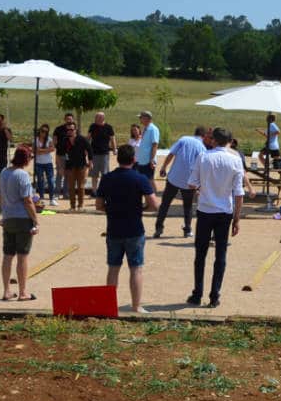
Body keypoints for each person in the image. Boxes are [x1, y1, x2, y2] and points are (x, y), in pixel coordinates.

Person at [96, 144, 158, 313]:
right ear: (134, 159)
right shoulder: (140, 178)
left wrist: (111, 208)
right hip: (134, 229)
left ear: (118, 159)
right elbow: (154, 204)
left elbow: (99, 205)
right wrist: (141, 209)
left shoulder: (107, 178)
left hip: (114, 228)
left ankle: (109, 305)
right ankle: (136, 306)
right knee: (136, 268)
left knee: (113, 268)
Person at [187, 127, 245, 308]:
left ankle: (197, 293)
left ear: (213, 140)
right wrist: (237, 218)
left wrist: (200, 189)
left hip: (205, 210)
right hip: (224, 212)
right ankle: (214, 295)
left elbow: (191, 183)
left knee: (200, 254)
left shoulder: (203, 157)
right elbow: (238, 193)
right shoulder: (235, 160)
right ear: (230, 141)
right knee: (221, 254)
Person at [0, 146, 38, 301]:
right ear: (26, 159)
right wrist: (35, 220)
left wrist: (4, 214)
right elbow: (27, 200)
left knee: (8, 255)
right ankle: (23, 292)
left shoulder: (4, 172)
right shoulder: (23, 175)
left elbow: (1, 197)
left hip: (8, 217)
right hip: (22, 219)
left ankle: (6, 291)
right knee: (22, 256)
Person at [155, 126, 206, 238]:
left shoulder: (183, 139)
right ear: (204, 136)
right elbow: (202, 167)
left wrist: (163, 167)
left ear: (195, 133)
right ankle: (187, 230)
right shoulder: (202, 148)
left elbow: (171, 154)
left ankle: (159, 228)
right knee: (188, 206)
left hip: (174, 177)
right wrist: (199, 184)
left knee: (165, 204)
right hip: (189, 181)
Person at [63, 123, 92, 211]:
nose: (69, 131)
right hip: (70, 166)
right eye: (68, 130)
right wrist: (60, 165)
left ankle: (80, 205)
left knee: (81, 186)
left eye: (71, 130)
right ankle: (72, 206)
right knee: (71, 187)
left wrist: (90, 161)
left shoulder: (81, 139)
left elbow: (89, 149)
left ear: (75, 130)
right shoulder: (65, 140)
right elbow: (61, 153)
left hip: (81, 165)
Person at [87, 112, 116, 197]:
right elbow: (88, 138)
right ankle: (94, 191)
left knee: (105, 174)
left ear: (102, 118)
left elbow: (112, 139)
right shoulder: (92, 126)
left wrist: (114, 149)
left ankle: (104, 191)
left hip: (104, 154)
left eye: (97, 117)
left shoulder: (108, 127)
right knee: (94, 174)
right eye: (96, 117)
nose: (96, 119)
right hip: (94, 153)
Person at [135, 111, 160, 193]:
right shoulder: (146, 128)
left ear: (147, 118)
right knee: (144, 181)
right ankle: (148, 202)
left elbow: (155, 144)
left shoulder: (153, 129)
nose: (140, 119)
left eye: (141, 117)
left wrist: (152, 160)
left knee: (150, 180)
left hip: (148, 161)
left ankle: (154, 201)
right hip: (142, 160)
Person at [53, 113, 75, 199]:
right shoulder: (59, 129)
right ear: (64, 119)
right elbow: (55, 138)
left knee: (68, 175)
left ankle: (66, 193)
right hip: (61, 154)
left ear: (73, 120)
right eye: (67, 119)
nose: (69, 120)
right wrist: (55, 146)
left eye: (70, 119)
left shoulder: (74, 129)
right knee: (59, 173)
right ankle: (57, 193)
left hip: (70, 155)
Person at [34, 124, 56, 205]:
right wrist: (47, 150)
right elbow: (35, 151)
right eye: (42, 131)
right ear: (39, 131)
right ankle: (42, 197)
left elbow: (53, 148)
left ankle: (51, 198)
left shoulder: (49, 139)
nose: (43, 133)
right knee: (40, 180)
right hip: (38, 163)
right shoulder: (36, 140)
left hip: (48, 163)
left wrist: (41, 150)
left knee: (50, 180)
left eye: (46, 132)